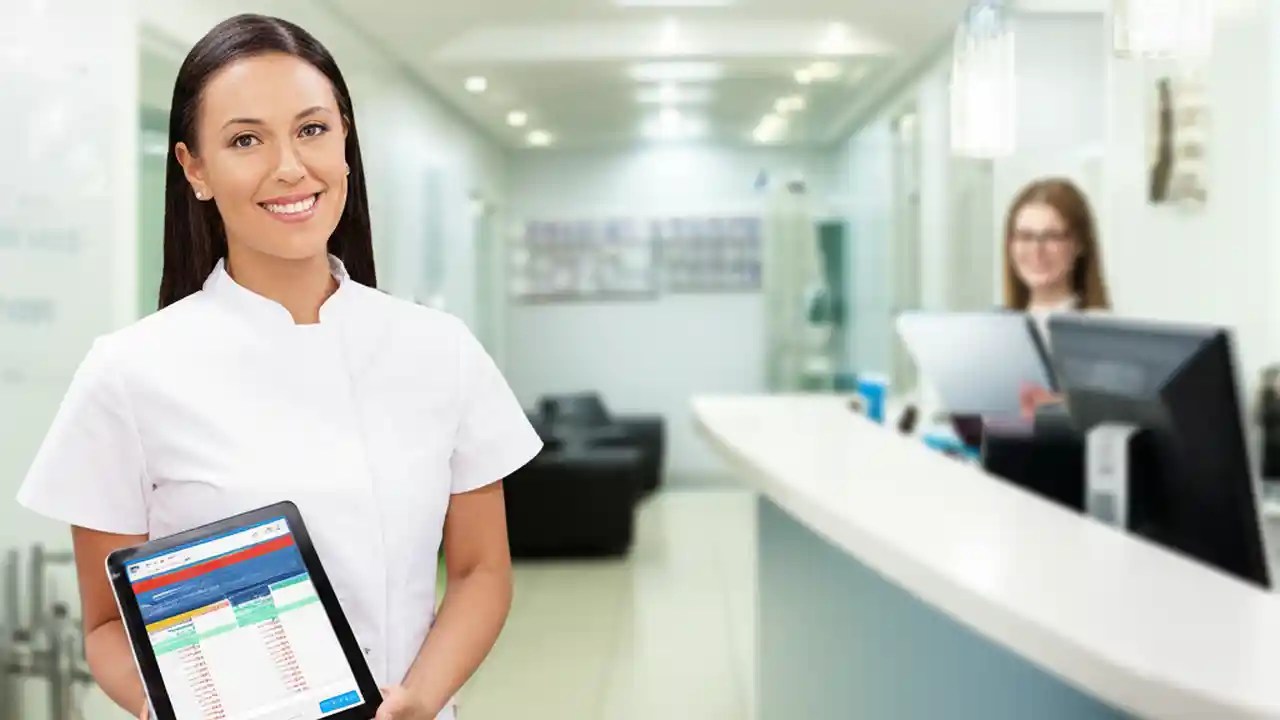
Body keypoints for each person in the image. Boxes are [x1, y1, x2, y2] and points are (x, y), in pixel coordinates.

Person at [15, 14, 540, 720]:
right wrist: (174, 710)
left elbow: (481, 571)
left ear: (346, 142)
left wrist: (419, 700)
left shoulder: (439, 349)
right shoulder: (129, 372)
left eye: (312, 129)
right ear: (194, 169)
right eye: (245, 140)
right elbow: (109, 626)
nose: (290, 166)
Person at [1003, 177, 1111, 417]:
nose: (1037, 250)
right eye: (1025, 236)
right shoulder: (994, 334)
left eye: (1052, 236)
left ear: (1079, 244)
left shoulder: (1102, 334)